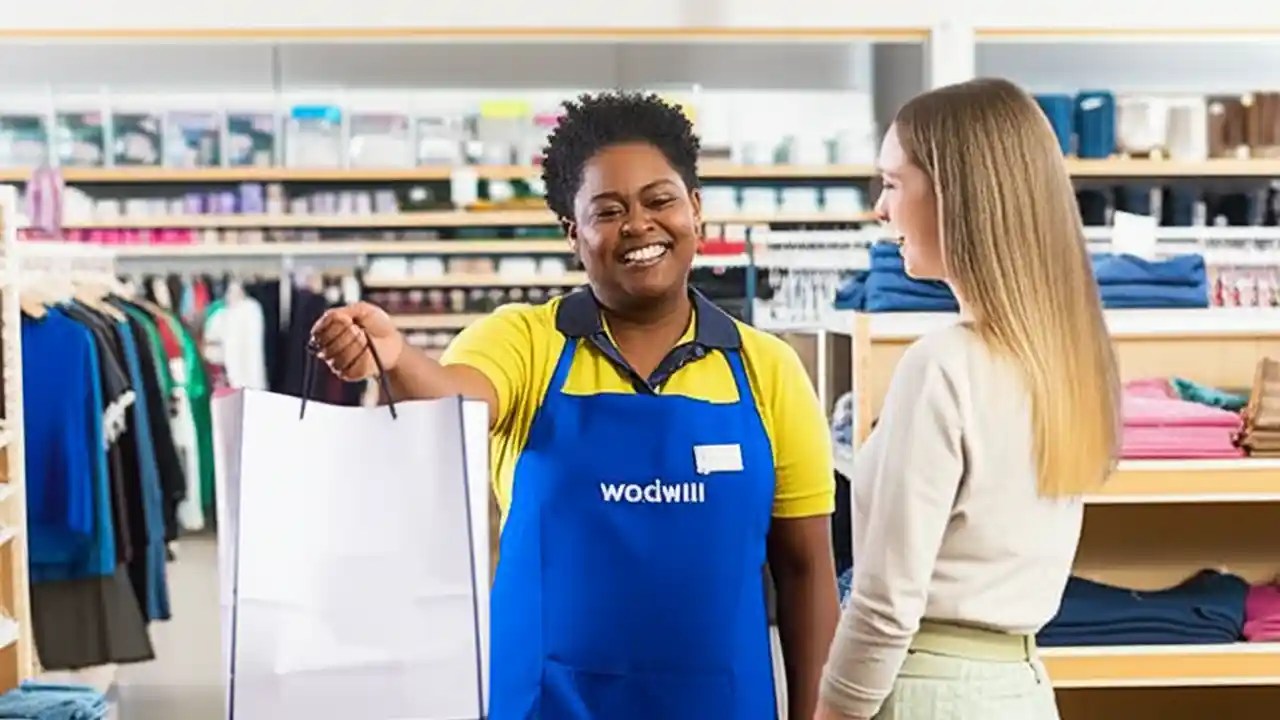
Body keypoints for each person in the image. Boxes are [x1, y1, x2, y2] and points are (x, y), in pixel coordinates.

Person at [311, 90, 840, 719]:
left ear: (695, 208)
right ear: (573, 233)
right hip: (546, 704)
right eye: (608, 209)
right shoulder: (526, 342)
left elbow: (808, 572)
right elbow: (457, 400)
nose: (639, 224)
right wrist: (397, 358)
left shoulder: (766, 369)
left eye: (660, 200)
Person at [815, 78, 1121, 720]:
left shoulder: (944, 365)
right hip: (1021, 687)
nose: (880, 209)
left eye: (893, 184)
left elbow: (885, 601)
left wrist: (834, 710)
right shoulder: (1068, 360)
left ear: (955, 192)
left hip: (930, 690)